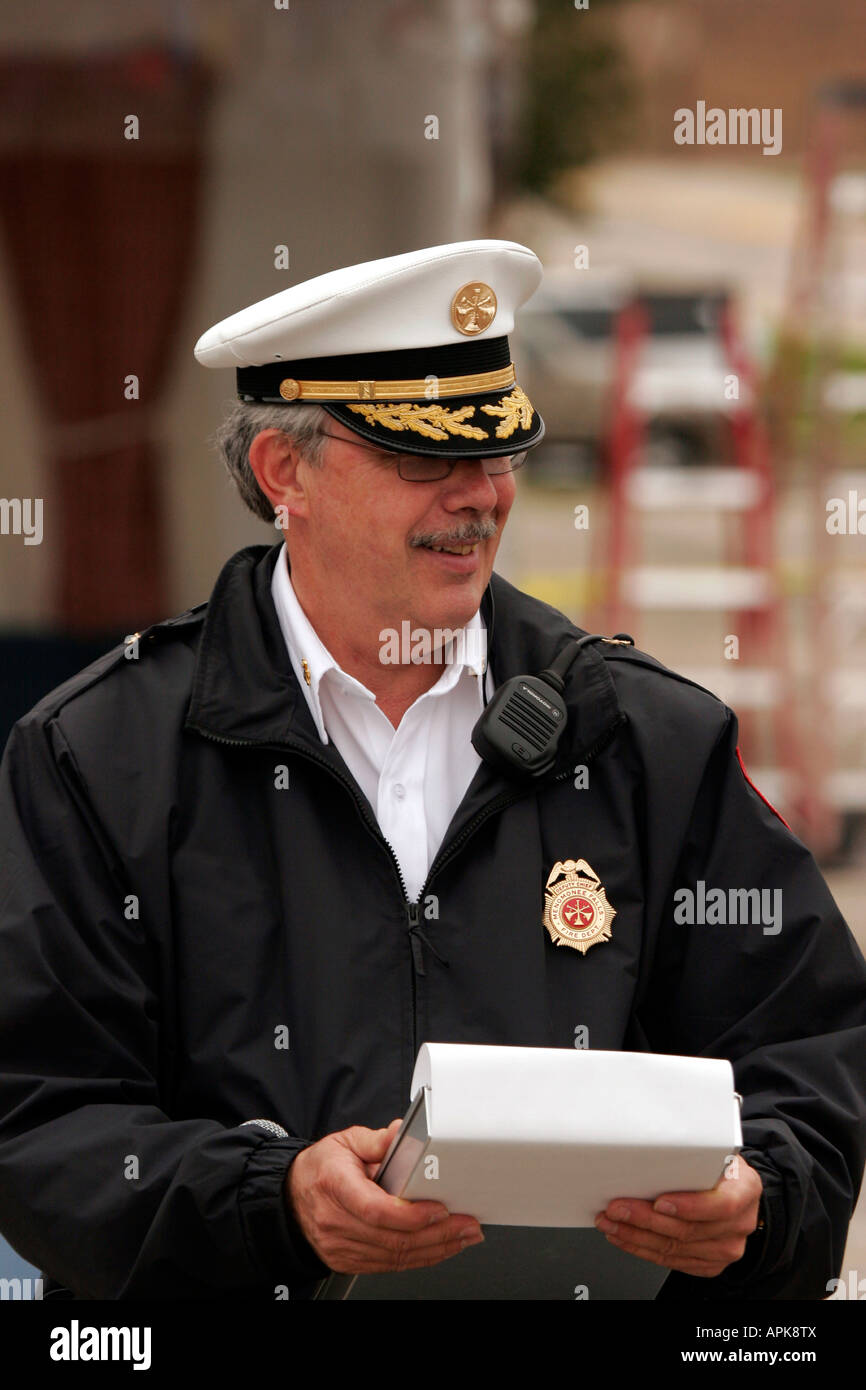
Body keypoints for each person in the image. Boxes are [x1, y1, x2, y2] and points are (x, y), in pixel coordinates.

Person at [0, 240, 864, 1301]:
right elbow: (38, 1115)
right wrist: (272, 1202)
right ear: (284, 472)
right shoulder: (99, 754)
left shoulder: (645, 737)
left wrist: (759, 1198)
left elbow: (803, 1053)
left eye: (497, 452)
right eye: (425, 457)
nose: (478, 498)